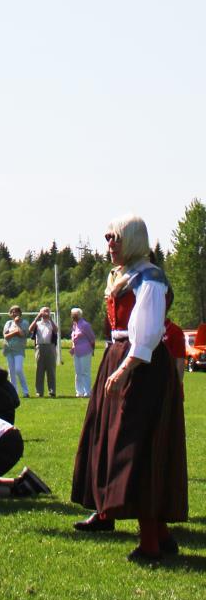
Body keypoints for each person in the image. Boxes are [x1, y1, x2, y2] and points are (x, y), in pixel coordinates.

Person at [71, 214, 188, 564]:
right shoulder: (124, 275)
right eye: (107, 237)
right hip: (120, 358)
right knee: (108, 439)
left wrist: (124, 369)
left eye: (115, 238)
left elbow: (147, 334)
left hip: (142, 367)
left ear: (133, 240)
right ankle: (148, 530)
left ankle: (151, 542)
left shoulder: (149, 278)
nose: (109, 243)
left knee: (137, 446)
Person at [28, 306, 58, 397]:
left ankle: (52, 391)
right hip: (39, 347)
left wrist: (50, 319)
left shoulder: (51, 323)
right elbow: (30, 329)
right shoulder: (38, 323)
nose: (45, 313)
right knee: (39, 370)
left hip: (50, 347)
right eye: (44, 311)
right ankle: (39, 391)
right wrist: (37, 317)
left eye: (47, 311)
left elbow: (56, 330)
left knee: (51, 370)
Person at [2, 305, 30, 398]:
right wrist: (15, 332)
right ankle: (14, 392)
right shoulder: (8, 323)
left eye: (16, 311)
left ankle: (25, 391)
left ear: (20, 313)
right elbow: (6, 336)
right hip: (9, 349)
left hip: (19, 349)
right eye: (12, 312)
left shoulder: (24, 323)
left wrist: (17, 324)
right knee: (11, 372)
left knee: (18, 369)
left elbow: (22, 334)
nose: (14, 313)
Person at [70, 308, 96, 397]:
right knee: (78, 372)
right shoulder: (75, 325)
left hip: (85, 351)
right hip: (76, 351)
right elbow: (73, 337)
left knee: (85, 372)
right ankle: (79, 391)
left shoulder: (85, 325)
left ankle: (87, 391)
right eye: (72, 314)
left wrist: (92, 349)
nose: (73, 316)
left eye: (75, 314)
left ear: (79, 315)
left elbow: (92, 338)